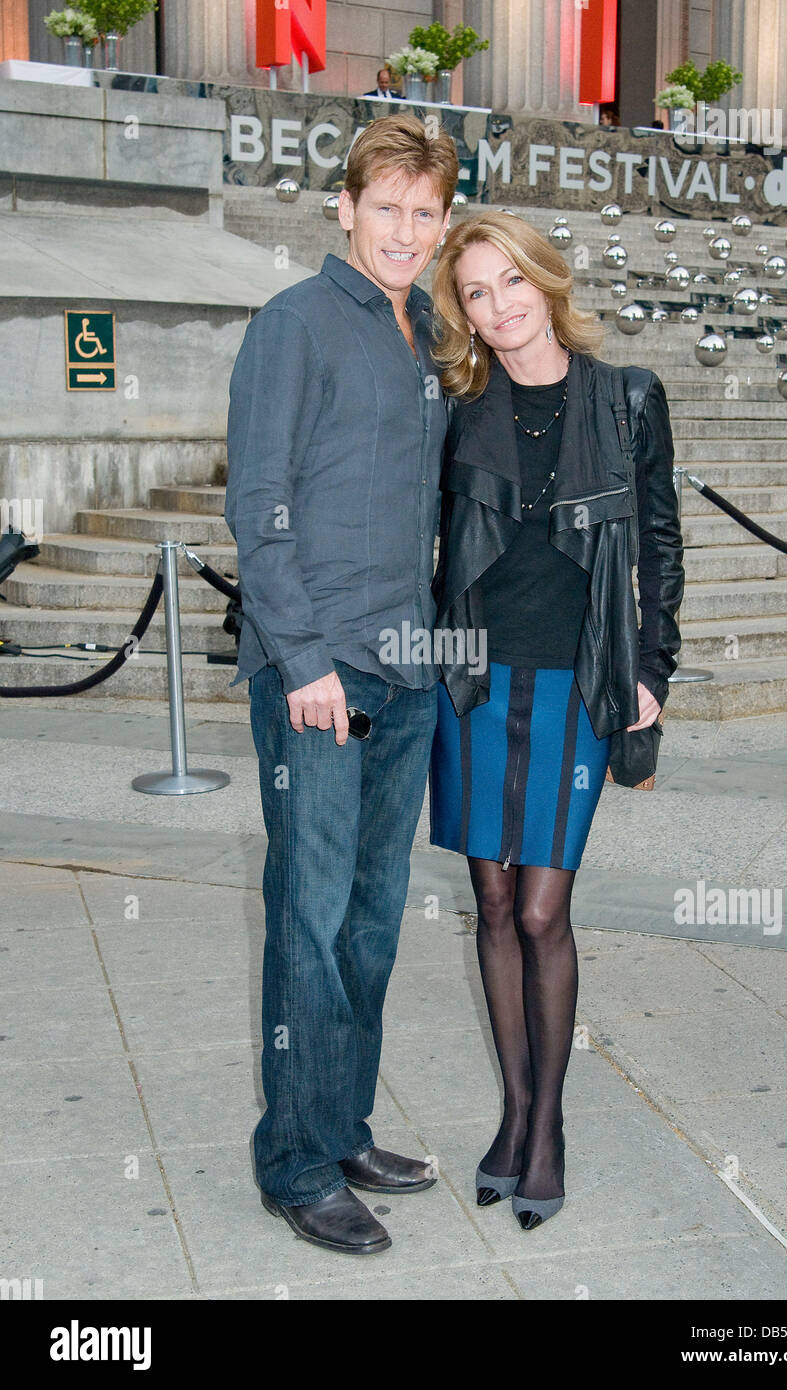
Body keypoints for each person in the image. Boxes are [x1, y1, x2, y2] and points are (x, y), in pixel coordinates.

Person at [224, 113, 458, 1256]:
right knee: (309, 921)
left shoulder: (425, 336)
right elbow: (256, 507)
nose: (405, 230)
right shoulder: (294, 323)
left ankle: (344, 1122)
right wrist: (304, 659)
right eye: (387, 209)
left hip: (406, 672)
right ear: (345, 209)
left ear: (442, 219)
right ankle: (295, 1159)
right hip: (319, 676)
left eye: (425, 212)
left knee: (371, 921)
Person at [427, 210, 684, 1229]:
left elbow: (659, 544)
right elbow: (429, 549)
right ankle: (516, 1109)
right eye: (475, 294)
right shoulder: (458, 403)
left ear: (545, 280)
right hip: (472, 683)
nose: (495, 309)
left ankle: (548, 1129)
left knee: (541, 910)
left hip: (576, 684)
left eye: (509, 285)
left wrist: (649, 668)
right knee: (490, 906)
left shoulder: (624, 400)